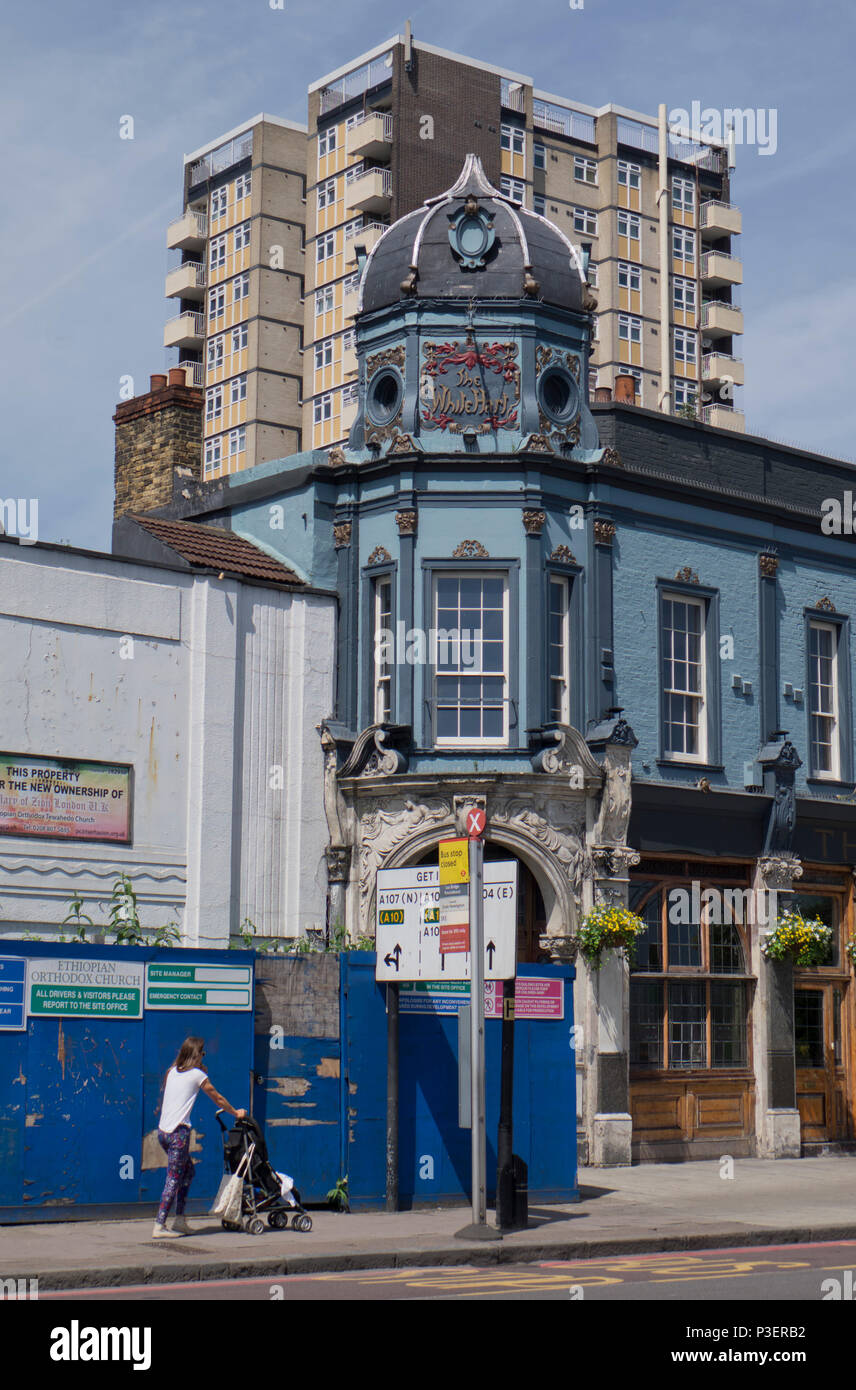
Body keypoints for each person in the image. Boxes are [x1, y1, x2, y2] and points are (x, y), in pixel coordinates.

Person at [152, 1036, 247, 1239]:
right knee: (173, 1178)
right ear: (196, 1055)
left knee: (187, 1172)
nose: (204, 1057)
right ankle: (159, 1225)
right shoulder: (197, 1075)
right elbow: (217, 1098)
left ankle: (179, 1220)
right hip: (178, 1134)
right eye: (202, 1054)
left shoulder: (171, 1071)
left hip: (163, 1133)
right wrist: (235, 1113)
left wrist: (200, 1068)